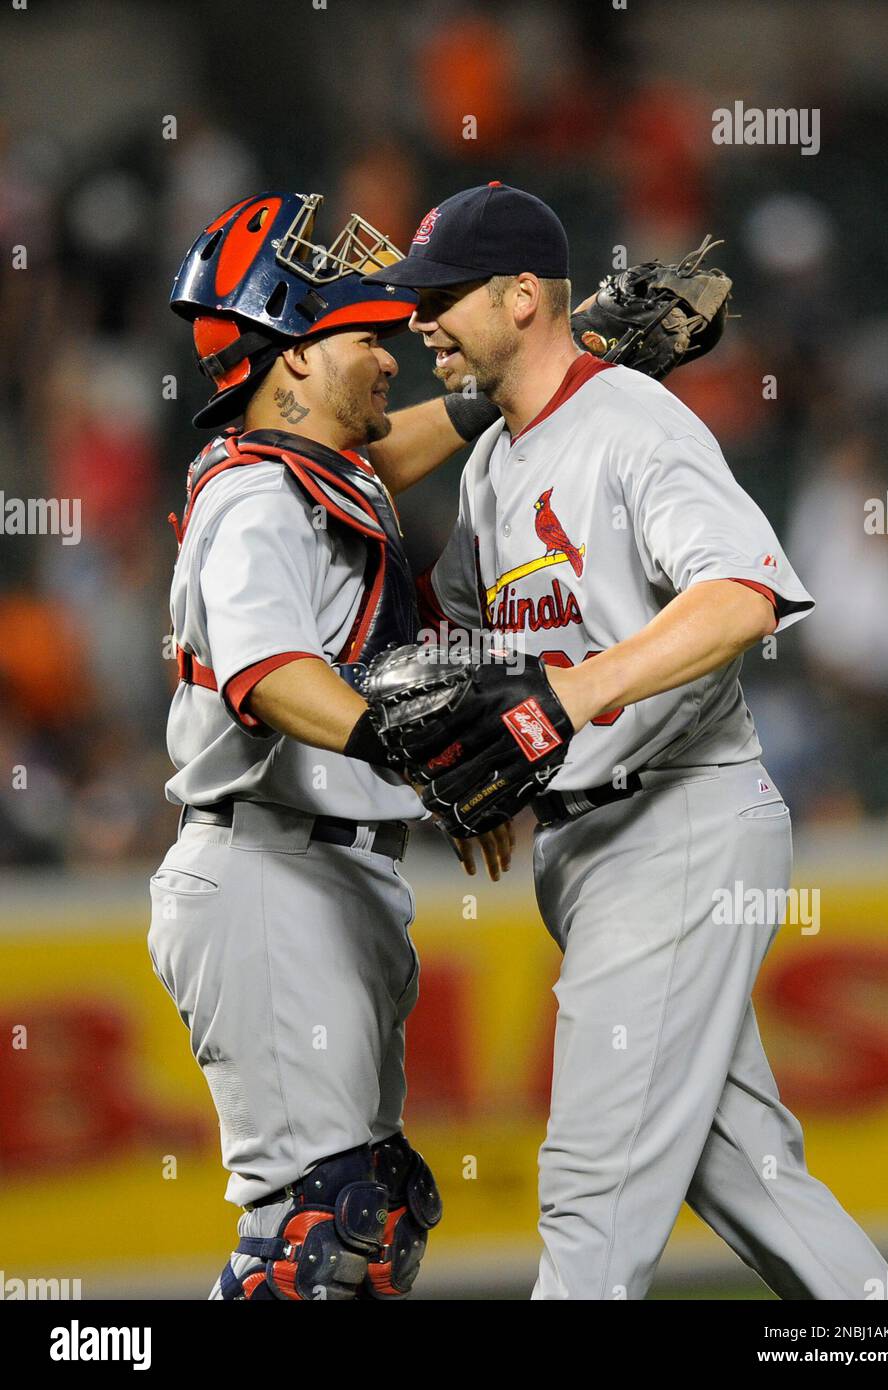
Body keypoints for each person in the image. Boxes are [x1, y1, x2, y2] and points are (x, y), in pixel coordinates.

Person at [364, 182, 888, 1300]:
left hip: (679, 816)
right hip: (596, 841)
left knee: (592, 1192)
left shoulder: (634, 427)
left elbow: (744, 595)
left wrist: (572, 696)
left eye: (441, 298)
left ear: (522, 298)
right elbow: (458, 637)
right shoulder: (493, 463)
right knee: (753, 1177)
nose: (418, 323)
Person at [149, 190, 515, 1301]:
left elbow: (386, 455)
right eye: (364, 338)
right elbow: (268, 673)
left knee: (369, 1227)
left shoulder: (311, 476)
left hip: (329, 867)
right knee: (315, 1240)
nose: (393, 355)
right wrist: (411, 744)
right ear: (293, 363)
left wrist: (545, 364)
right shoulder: (259, 498)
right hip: (270, 866)